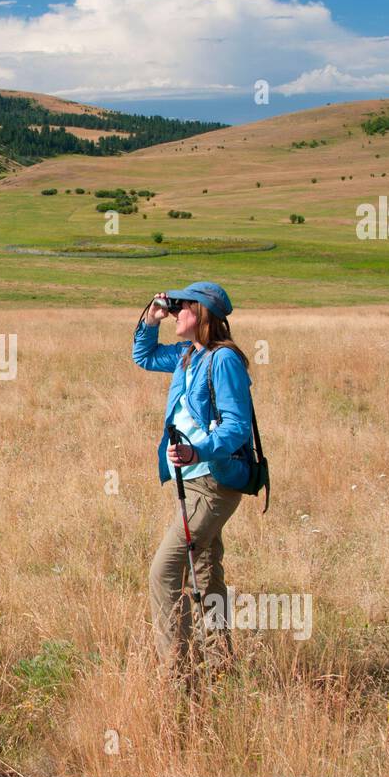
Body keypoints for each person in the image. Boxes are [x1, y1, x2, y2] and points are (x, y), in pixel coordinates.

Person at [132, 282, 254, 675]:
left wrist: (197, 451)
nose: (176, 312)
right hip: (194, 480)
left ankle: (177, 676)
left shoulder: (223, 360)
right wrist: (151, 317)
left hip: (214, 483)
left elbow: (237, 426)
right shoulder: (188, 355)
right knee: (205, 573)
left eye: (183, 306)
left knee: (165, 571)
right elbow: (144, 356)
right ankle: (221, 664)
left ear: (201, 314)